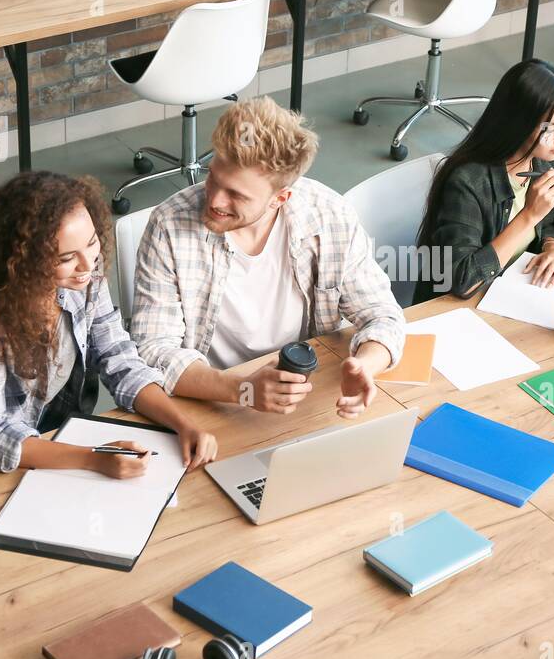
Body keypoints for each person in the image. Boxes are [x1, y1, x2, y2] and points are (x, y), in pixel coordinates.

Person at [0, 171, 217, 482]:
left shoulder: (85, 274)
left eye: (92, 242)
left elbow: (120, 361)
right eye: (65, 258)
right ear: (21, 260)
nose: (88, 265)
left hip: (43, 441)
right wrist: (92, 459)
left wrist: (182, 425)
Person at [132, 96, 405, 419]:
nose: (215, 199)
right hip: (210, 398)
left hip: (306, 397)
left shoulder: (329, 215)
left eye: (236, 194)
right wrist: (243, 389)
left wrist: (366, 365)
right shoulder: (169, 226)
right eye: (213, 178)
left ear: (281, 198)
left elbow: (383, 314)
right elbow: (154, 351)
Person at [413, 58, 554, 304]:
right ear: (518, 124)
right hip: (455, 309)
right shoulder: (466, 181)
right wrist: (528, 216)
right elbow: (462, 281)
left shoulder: (542, 159)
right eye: (552, 128)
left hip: (510, 296)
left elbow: (547, 220)